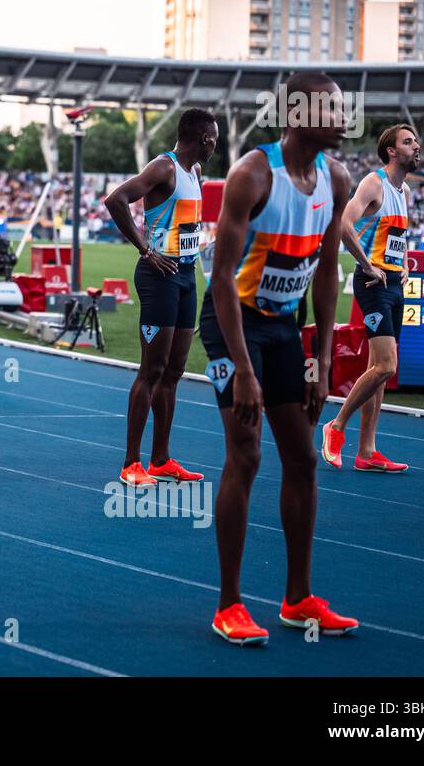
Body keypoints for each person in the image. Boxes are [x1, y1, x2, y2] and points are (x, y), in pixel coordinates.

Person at [201, 72, 358, 646]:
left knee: (303, 459)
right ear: (300, 114)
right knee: (245, 454)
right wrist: (243, 369)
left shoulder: (336, 179)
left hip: (284, 330)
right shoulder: (253, 174)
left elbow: (326, 270)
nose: (345, 118)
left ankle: (298, 599)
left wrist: (320, 357)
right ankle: (229, 604)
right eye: (334, 108)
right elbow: (220, 280)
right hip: (230, 325)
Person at [104, 109, 218, 486]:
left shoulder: (194, 172)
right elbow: (116, 200)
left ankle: (161, 459)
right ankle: (130, 463)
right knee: (151, 370)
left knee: (173, 371)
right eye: (214, 138)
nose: (216, 144)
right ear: (203, 138)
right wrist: (144, 249)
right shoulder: (164, 168)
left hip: (185, 275)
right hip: (159, 276)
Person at [320, 125, 421, 473]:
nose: (416, 146)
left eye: (416, 141)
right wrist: (366, 265)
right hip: (372, 281)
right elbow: (344, 224)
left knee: (377, 370)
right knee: (387, 366)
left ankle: (367, 452)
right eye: (408, 142)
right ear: (391, 151)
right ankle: (335, 426)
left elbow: (395, 235)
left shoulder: (402, 189)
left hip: (394, 283)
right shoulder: (373, 183)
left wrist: (404, 262)